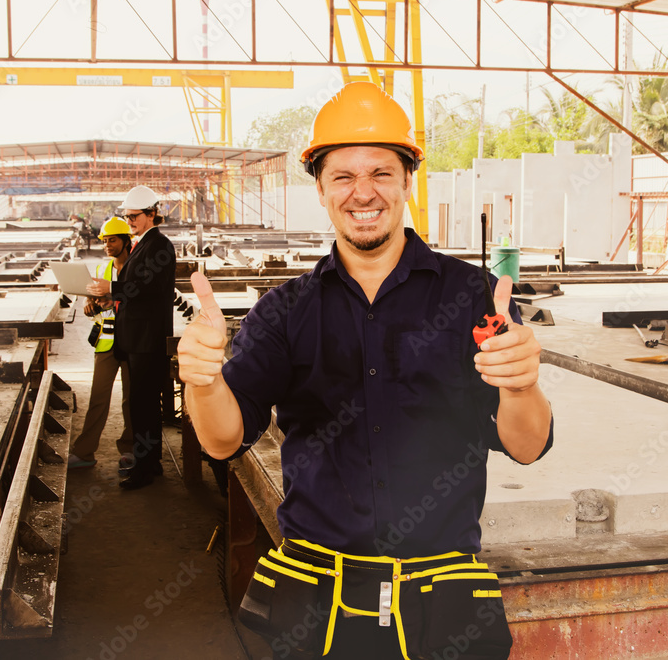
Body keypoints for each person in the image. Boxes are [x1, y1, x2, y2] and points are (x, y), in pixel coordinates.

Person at [177, 82, 553, 660]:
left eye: (380, 172)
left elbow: (526, 447)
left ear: (407, 181)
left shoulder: (471, 297)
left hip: (443, 607)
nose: (363, 193)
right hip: (316, 606)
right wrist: (203, 379)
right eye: (343, 176)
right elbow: (223, 439)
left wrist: (522, 385)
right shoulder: (284, 312)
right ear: (322, 190)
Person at [87, 185, 176, 490]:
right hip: (136, 340)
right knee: (141, 408)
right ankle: (148, 463)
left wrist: (111, 289)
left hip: (147, 342)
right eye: (126, 217)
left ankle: (146, 468)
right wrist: (109, 297)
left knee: (145, 407)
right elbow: (136, 289)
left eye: (134, 216)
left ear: (152, 213)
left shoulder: (160, 246)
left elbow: (146, 288)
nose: (129, 222)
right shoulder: (143, 244)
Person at [68, 216, 135, 470]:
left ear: (125, 241)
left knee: (131, 400)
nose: (107, 245)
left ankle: (129, 450)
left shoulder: (135, 270)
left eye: (113, 240)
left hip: (130, 343)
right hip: (106, 344)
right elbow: (95, 307)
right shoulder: (101, 271)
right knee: (98, 399)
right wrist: (90, 305)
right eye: (105, 241)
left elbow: (139, 300)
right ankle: (84, 453)